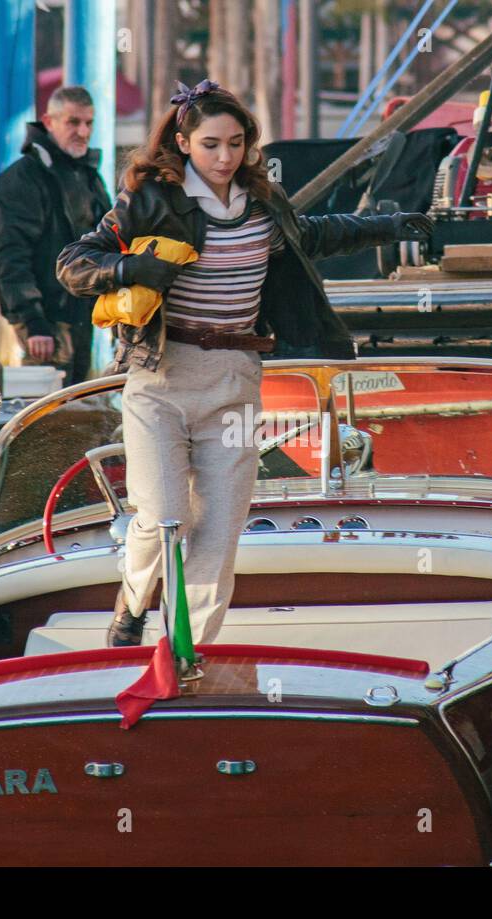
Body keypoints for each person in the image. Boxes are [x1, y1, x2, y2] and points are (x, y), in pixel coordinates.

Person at [57, 78, 432, 647]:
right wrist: (131, 271)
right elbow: (74, 261)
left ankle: (188, 652)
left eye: (237, 143)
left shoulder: (261, 203)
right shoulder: (151, 200)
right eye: (211, 144)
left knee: (220, 535)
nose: (225, 156)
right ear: (183, 143)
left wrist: (389, 223)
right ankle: (132, 604)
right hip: (161, 379)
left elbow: (311, 236)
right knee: (163, 518)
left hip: (235, 383)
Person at [0, 86, 112, 385]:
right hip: (45, 320)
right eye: (73, 122)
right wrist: (33, 322)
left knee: (78, 405)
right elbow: (10, 256)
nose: (83, 131)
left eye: (88, 123)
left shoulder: (87, 174)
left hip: (82, 314)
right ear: (49, 121)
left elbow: (109, 238)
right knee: (47, 411)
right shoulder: (21, 179)